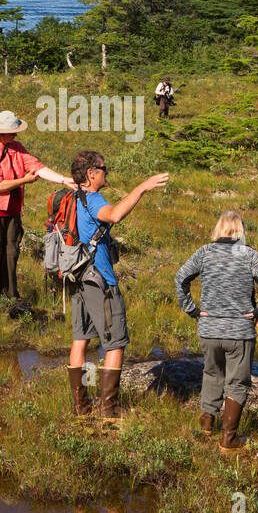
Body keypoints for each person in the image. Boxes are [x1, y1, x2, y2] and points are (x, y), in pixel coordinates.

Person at [66, 150, 169, 422]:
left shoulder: (71, 197)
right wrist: (143, 187)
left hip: (77, 278)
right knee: (115, 343)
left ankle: (82, 406)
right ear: (91, 173)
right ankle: (108, 410)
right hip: (100, 280)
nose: (106, 172)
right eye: (103, 168)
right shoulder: (93, 199)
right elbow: (114, 215)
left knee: (81, 340)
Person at [174, 211, 258, 452]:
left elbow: (181, 278)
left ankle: (207, 423)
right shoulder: (248, 253)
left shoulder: (205, 252)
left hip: (209, 328)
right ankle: (229, 438)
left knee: (211, 373)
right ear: (240, 230)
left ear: (218, 229)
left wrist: (193, 311)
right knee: (237, 383)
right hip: (240, 330)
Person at [0, 110, 75, 313]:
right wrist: (25, 180)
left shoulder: (15, 147)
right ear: (0, 132)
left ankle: (11, 299)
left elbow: (37, 167)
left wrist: (64, 179)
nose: (16, 135)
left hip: (11, 212)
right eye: (12, 132)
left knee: (11, 255)